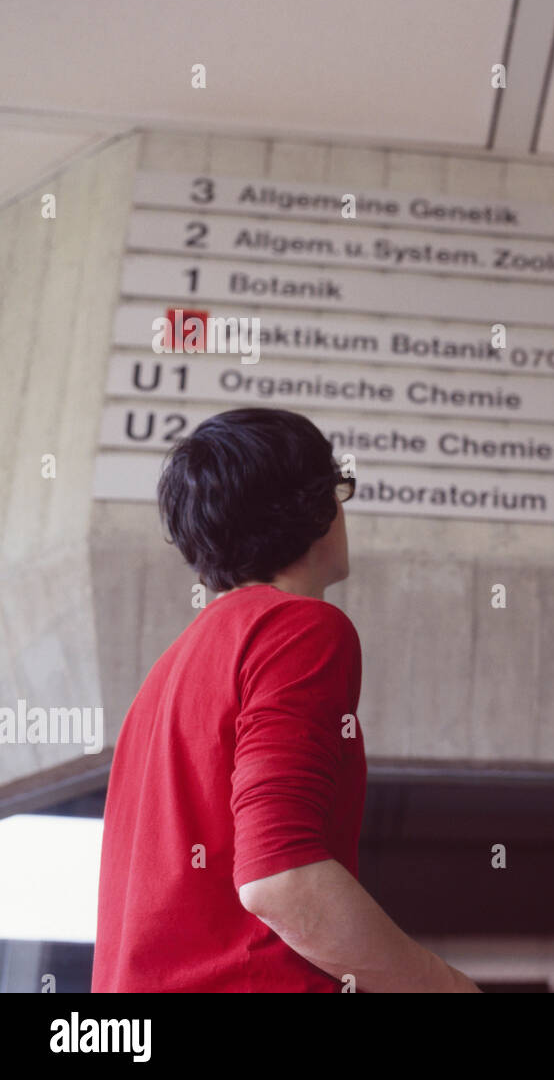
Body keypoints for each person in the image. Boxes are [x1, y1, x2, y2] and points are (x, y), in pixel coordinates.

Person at [91, 406, 480, 993]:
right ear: (317, 505)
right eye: (337, 490)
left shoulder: (163, 678)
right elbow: (279, 876)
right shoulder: (299, 628)